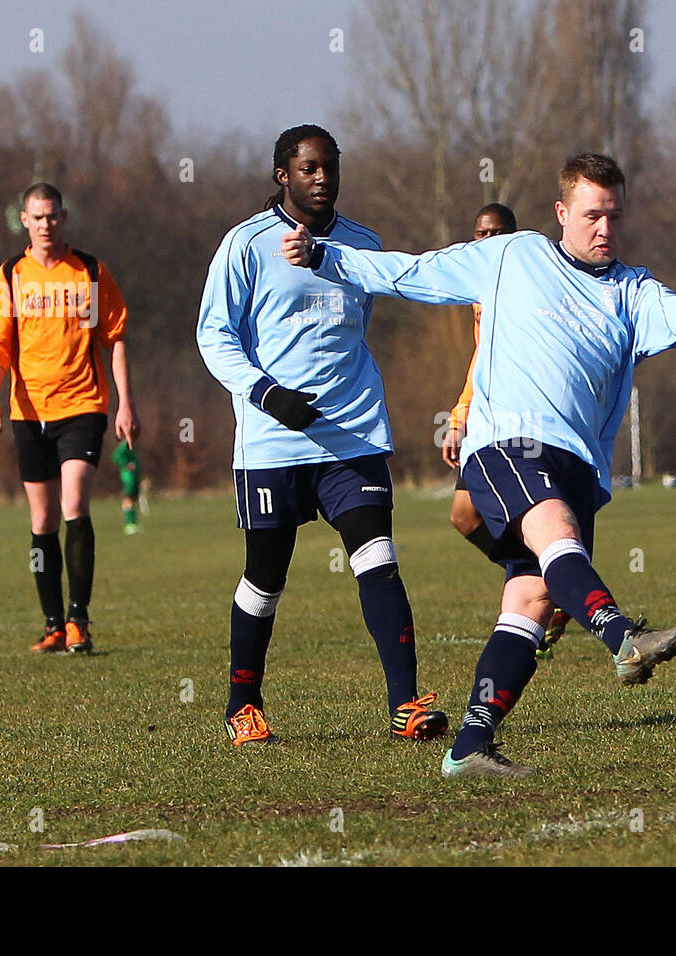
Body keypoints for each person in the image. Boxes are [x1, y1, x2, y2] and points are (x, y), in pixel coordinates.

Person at [283, 152, 676, 777]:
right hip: (509, 443)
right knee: (556, 531)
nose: (604, 229)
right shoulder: (513, 256)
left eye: (614, 216)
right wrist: (329, 256)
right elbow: (411, 273)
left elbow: (673, 311)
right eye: (591, 215)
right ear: (561, 213)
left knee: (530, 597)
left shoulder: (631, 289)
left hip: (578, 460)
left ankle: (470, 746)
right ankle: (620, 636)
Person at [196, 124, 448, 747]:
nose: (322, 178)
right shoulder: (245, 245)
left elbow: (360, 319)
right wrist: (267, 393)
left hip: (352, 436)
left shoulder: (363, 245)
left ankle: (405, 705)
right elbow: (214, 335)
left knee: (378, 558)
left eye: (329, 166)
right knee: (265, 578)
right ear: (282, 174)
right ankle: (242, 704)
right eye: (308, 167)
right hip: (272, 442)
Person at [0, 182, 139, 655]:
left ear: (63, 219)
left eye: (52, 216)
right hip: (28, 412)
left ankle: (78, 622)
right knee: (43, 517)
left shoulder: (87, 272)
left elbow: (116, 336)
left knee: (74, 505)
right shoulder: (11, 275)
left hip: (83, 405)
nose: (45, 224)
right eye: (37, 217)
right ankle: (51, 624)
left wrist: (126, 403)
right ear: (23, 221)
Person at [441, 204, 572, 661]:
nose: (486, 242)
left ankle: (555, 585)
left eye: (496, 234)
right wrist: (460, 417)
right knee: (464, 515)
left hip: (523, 421)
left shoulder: (529, 283)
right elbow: (482, 361)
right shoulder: (480, 288)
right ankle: (548, 578)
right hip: (484, 415)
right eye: (480, 234)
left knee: (484, 514)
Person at [111, 438, 143, 534]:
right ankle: (129, 523)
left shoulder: (133, 445)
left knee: (133, 499)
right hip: (128, 477)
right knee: (128, 498)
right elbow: (116, 456)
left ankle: (133, 522)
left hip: (134, 476)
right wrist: (125, 464)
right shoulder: (125, 445)